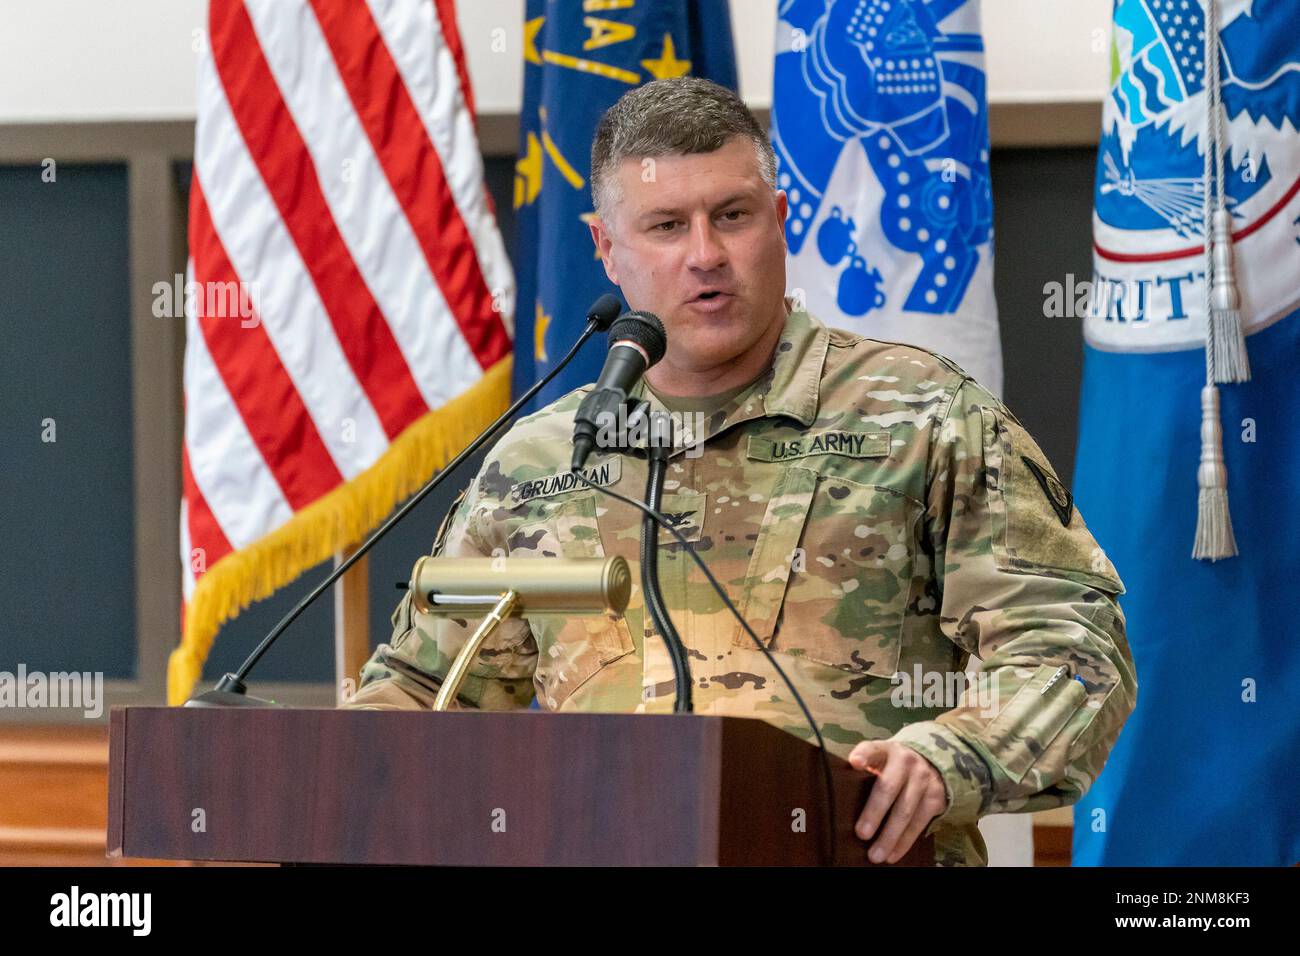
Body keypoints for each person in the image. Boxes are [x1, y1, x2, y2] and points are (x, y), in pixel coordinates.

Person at [342, 77, 1137, 867]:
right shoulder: (542, 459)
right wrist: (295, 774)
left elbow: (1073, 647)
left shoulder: (922, 415)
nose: (705, 255)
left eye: (732, 216)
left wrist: (949, 756)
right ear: (606, 250)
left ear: (781, 221)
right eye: (664, 225)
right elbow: (423, 693)